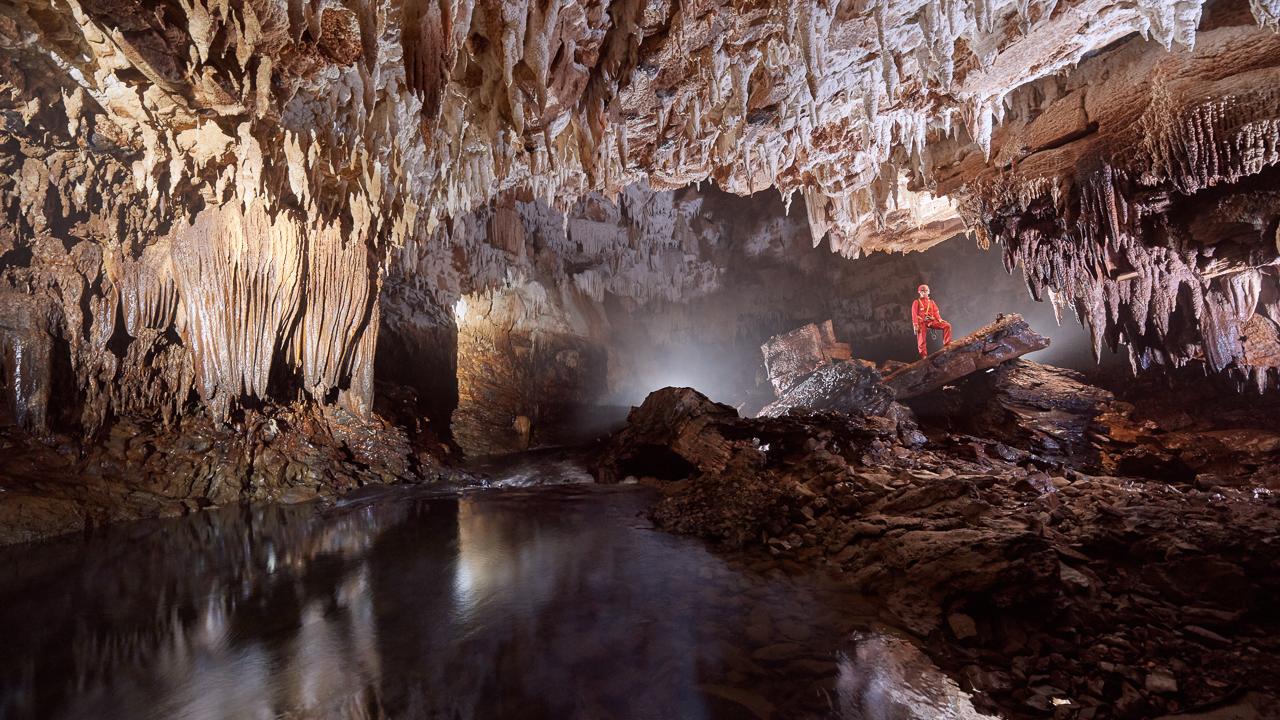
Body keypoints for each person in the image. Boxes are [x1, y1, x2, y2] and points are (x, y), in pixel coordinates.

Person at [911, 284, 952, 358]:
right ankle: (923, 355)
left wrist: (939, 319)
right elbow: (914, 314)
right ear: (919, 292)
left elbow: (936, 312)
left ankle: (947, 344)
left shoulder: (932, 302)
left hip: (931, 321)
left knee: (947, 325)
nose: (924, 292)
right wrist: (915, 325)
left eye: (926, 291)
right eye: (922, 291)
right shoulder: (916, 302)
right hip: (921, 322)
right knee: (921, 339)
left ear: (929, 292)